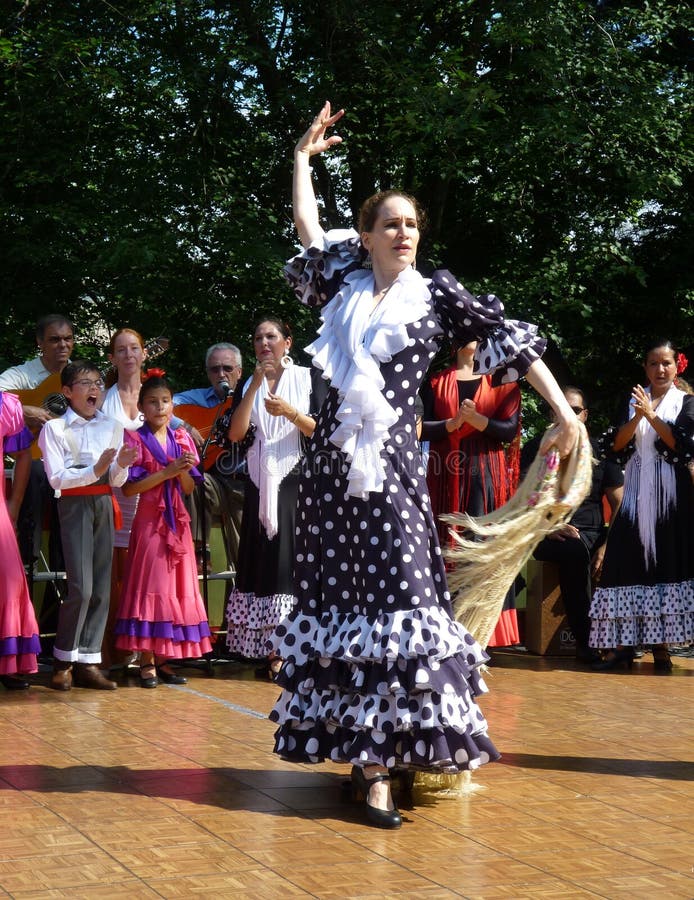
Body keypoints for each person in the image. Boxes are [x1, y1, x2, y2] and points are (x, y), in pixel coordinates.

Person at [267, 102, 579, 830]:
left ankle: (390, 759)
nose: (403, 234)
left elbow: (510, 342)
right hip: (332, 479)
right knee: (345, 614)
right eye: (391, 224)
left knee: (406, 604)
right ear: (369, 235)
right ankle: (368, 766)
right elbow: (310, 232)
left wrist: (562, 414)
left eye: (411, 224)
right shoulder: (341, 281)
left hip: (398, 475)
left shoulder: (435, 294)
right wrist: (302, 162)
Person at [225, 319, 323, 677]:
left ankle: (291, 647)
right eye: (257, 338)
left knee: (289, 562)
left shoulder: (309, 378)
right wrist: (251, 386)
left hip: (296, 479)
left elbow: (323, 432)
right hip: (257, 477)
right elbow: (236, 433)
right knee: (262, 559)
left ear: (287, 343)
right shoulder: (249, 383)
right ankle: (265, 648)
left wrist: (292, 413)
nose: (264, 343)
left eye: (271, 336)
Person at [589, 341, 694, 672]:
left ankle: (662, 649)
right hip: (636, 491)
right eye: (653, 363)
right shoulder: (633, 399)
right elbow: (617, 445)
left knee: (665, 564)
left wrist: (651, 414)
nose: (660, 369)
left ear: (677, 367)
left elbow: (681, 444)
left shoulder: (686, 402)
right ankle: (623, 648)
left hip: (671, 497)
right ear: (645, 368)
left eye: (666, 363)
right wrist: (637, 417)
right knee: (625, 562)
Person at [38, 361, 138, 691]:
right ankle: (63, 660)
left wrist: (121, 465)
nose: (94, 389)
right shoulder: (54, 430)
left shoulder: (111, 425)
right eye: (84, 383)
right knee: (81, 585)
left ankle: (89, 660)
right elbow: (56, 477)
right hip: (74, 502)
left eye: (97, 383)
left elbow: (117, 479)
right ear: (67, 392)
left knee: (101, 585)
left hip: (104, 503)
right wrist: (96, 469)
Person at [114, 374, 213, 687]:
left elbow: (186, 487)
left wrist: (182, 471)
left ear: (172, 405)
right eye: (153, 401)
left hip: (177, 520)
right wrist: (167, 471)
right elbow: (130, 490)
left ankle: (166, 657)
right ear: (142, 407)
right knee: (152, 583)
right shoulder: (133, 438)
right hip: (149, 518)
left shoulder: (181, 438)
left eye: (165, 401)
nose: (160, 406)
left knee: (175, 585)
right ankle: (146, 659)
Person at [421, 339, 522, 647]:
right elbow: (420, 427)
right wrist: (452, 424)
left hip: (484, 473)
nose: (470, 337)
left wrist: (479, 421)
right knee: (443, 544)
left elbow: (509, 429)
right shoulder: (436, 381)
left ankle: (481, 631)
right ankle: (443, 627)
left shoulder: (502, 381)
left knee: (480, 547)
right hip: (443, 472)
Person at [522, 387, 624, 662]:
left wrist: (606, 546)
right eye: (561, 408)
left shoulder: (601, 451)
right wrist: (548, 526)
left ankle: (628, 642)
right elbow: (524, 500)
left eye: (575, 410)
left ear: (585, 415)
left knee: (634, 547)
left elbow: (619, 505)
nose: (568, 414)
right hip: (546, 533)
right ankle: (587, 642)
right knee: (574, 550)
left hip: (593, 533)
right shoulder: (537, 448)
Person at [0, 314, 74, 569]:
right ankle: (24, 563)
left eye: (68, 339)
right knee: (34, 469)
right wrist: (26, 410)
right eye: (54, 340)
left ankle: (63, 581)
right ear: (39, 342)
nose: (62, 345)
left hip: (69, 461)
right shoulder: (23, 374)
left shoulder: (80, 376)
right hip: (32, 459)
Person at [172, 343, 245, 575]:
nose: (221, 374)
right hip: (217, 480)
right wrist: (185, 425)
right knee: (195, 480)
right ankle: (200, 551)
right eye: (214, 369)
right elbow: (160, 405)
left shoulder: (252, 396)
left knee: (244, 564)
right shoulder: (198, 399)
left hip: (249, 484)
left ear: (239, 372)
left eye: (227, 368)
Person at [99, 328, 148, 670]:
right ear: (113, 358)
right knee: (115, 572)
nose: (128, 355)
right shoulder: (102, 397)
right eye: (121, 349)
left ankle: (144, 646)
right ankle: (116, 649)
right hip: (114, 493)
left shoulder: (157, 396)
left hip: (148, 496)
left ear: (144, 354)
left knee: (143, 572)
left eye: (134, 348)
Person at [0, 391, 41, 689]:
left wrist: (14, 504)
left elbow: (24, 452)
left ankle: (8, 662)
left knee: (7, 579)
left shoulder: (6, 405)